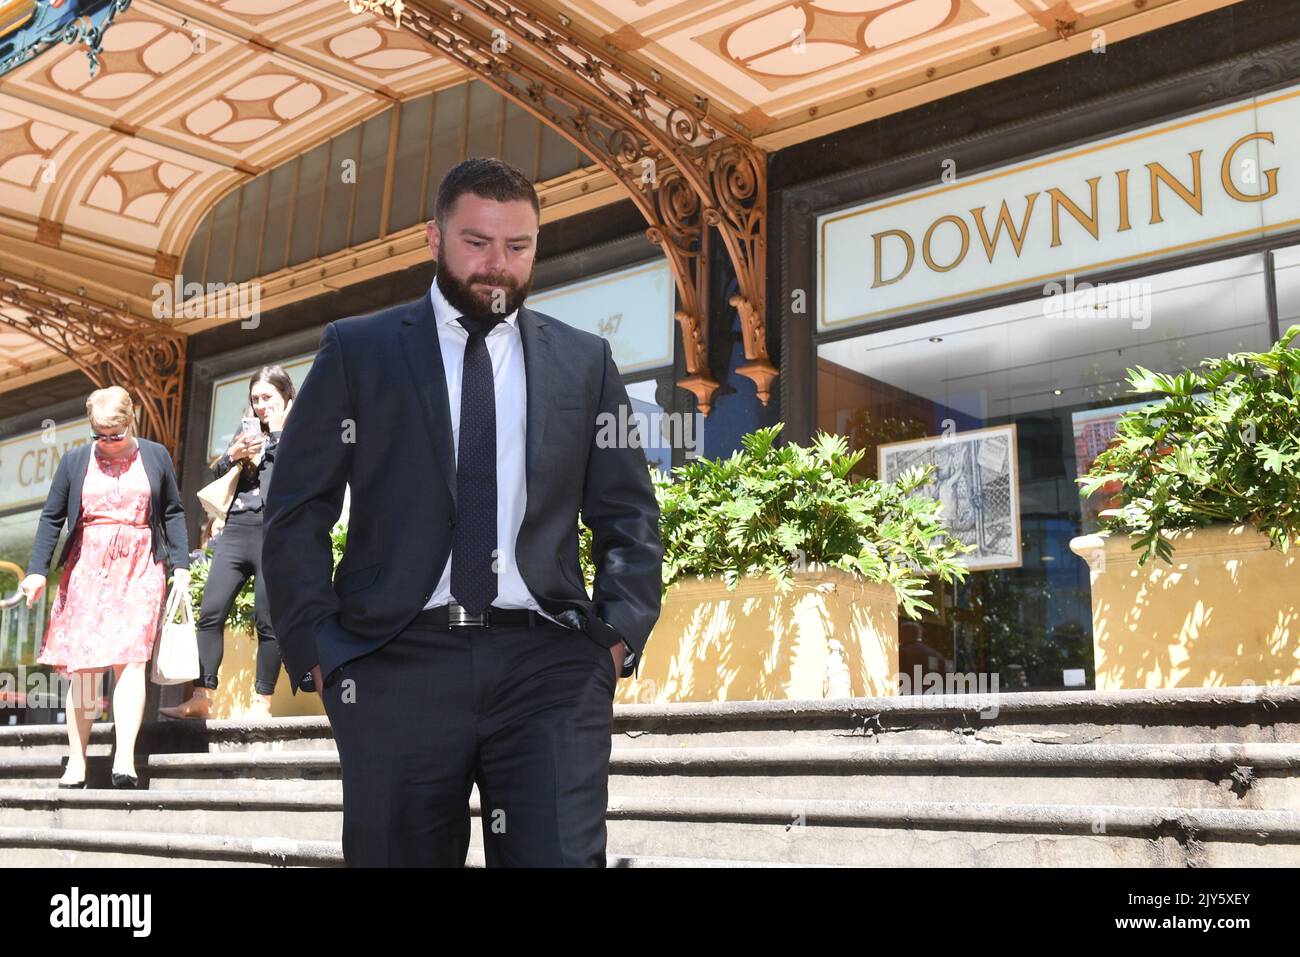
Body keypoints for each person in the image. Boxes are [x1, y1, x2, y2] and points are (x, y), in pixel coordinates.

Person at [263, 157, 664, 867]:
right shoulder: (358, 350)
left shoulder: (585, 361)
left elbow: (627, 513)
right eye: (477, 242)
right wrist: (320, 648)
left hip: (549, 664)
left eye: (519, 247)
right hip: (396, 660)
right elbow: (296, 510)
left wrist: (616, 635)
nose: (498, 266)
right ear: (433, 238)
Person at [19, 386, 191, 789]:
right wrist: (36, 570)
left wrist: (181, 564)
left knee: (131, 661)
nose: (109, 444)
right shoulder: (76, 460)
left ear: (131, 421)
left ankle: (125, 760)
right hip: (87, 569)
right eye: (101, 436)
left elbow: (173, 511)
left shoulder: (155, 455)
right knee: (86, 668)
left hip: (140, 566)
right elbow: (51, 517)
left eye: (116, 434)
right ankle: (77, 762)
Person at [161, 368, 294, 719]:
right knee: (210, 613)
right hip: (236, 529)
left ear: (286, 396)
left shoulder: (300, 429)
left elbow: (294, 479)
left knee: (268, 620)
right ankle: (203, 696)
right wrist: (231, 456)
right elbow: (218, 478)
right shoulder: (247, 430)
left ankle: (261, 703)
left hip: (274, 532)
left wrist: (278, 437)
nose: (261, 406)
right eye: (255, 399)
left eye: (268, 398)